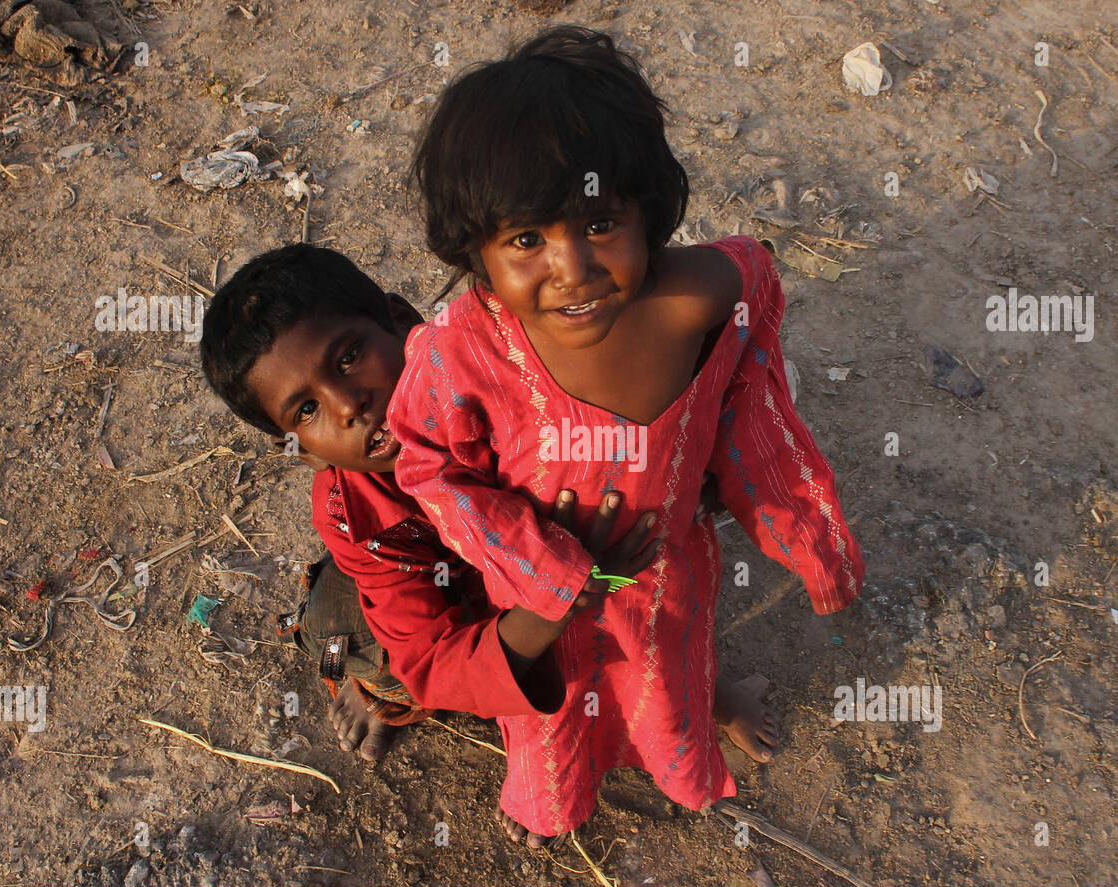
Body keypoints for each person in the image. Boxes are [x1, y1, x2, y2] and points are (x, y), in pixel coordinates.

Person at [393, 26, 865, 845]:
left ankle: (706, 711)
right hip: (547, 608)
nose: (572, 265)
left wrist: (806, 534)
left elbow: (755, 407)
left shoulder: (709, 299)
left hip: (666, 579)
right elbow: (430, 467)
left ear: (649, 210)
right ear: (475, 250)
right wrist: (549, 568)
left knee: (670, 686)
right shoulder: (461, 352)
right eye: (526, 239)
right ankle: (557, 810)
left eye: (601, 221)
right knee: (554, 729)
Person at [199, 243, 660, 764]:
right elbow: (429, 663)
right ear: (303, 452)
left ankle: (706, 692)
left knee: (645, 578)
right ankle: (377, 697)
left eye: (349, 358)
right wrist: (558, 593)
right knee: (362, 648)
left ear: (403, 322)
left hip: (516, 568)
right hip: (429, 579)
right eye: (308, 409)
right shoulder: (356, 519)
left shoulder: (505, 374)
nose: (349, 405)